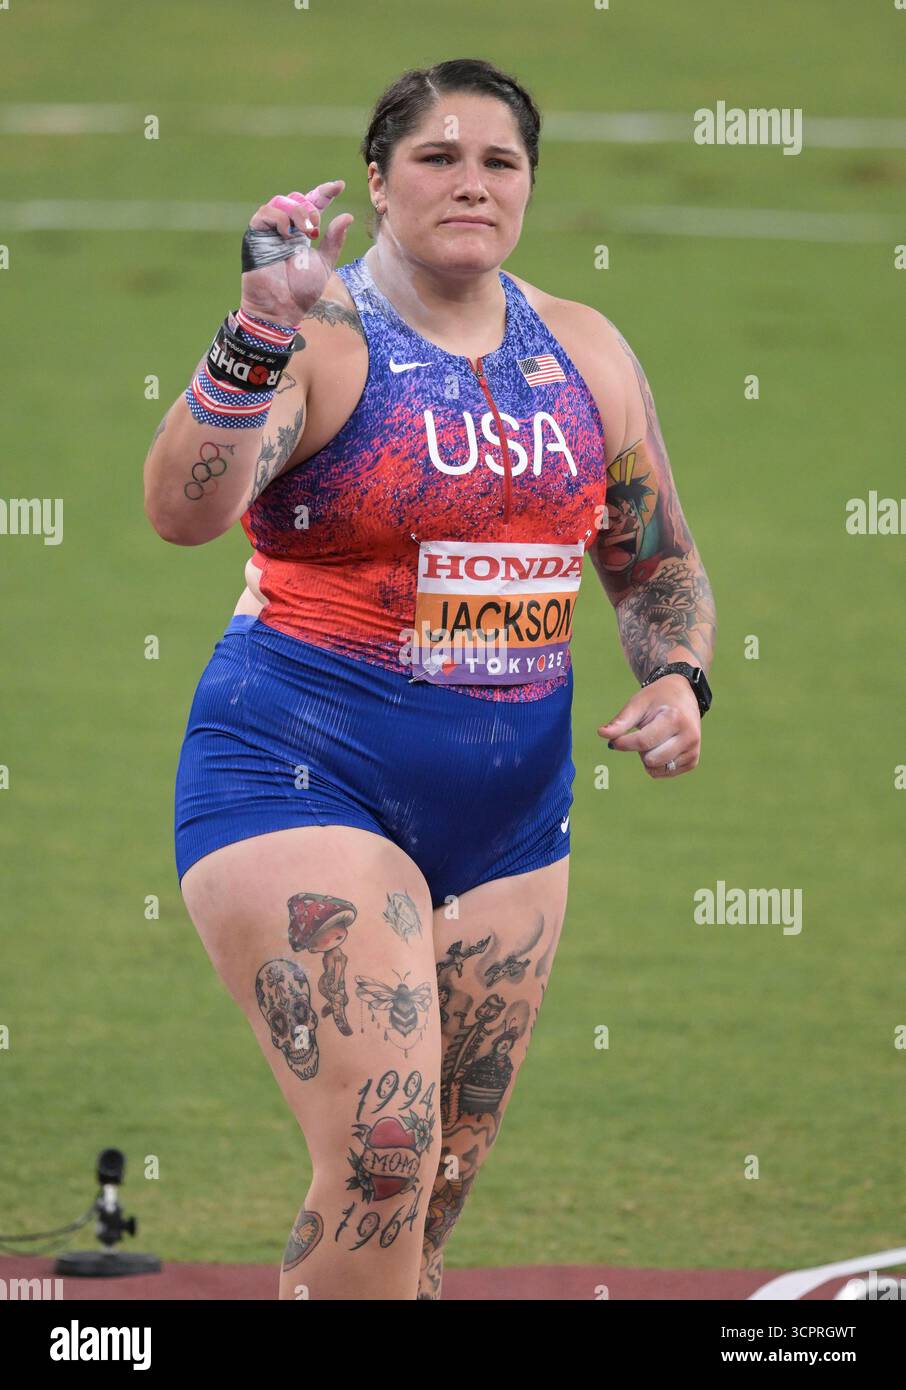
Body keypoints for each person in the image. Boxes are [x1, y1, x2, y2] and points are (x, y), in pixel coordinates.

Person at [143, 57, 716, 1302]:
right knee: (382, 1154)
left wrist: (679, 678)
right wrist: (256, 333)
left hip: (512, 812)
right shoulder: (326, 340)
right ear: (378, 181)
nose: (471, 182)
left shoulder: (587, 351)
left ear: (529, 185)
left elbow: (655, 559)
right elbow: (182, 513)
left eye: (499, 161)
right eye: (437, 158)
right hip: (302, 771)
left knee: (434, 1187)